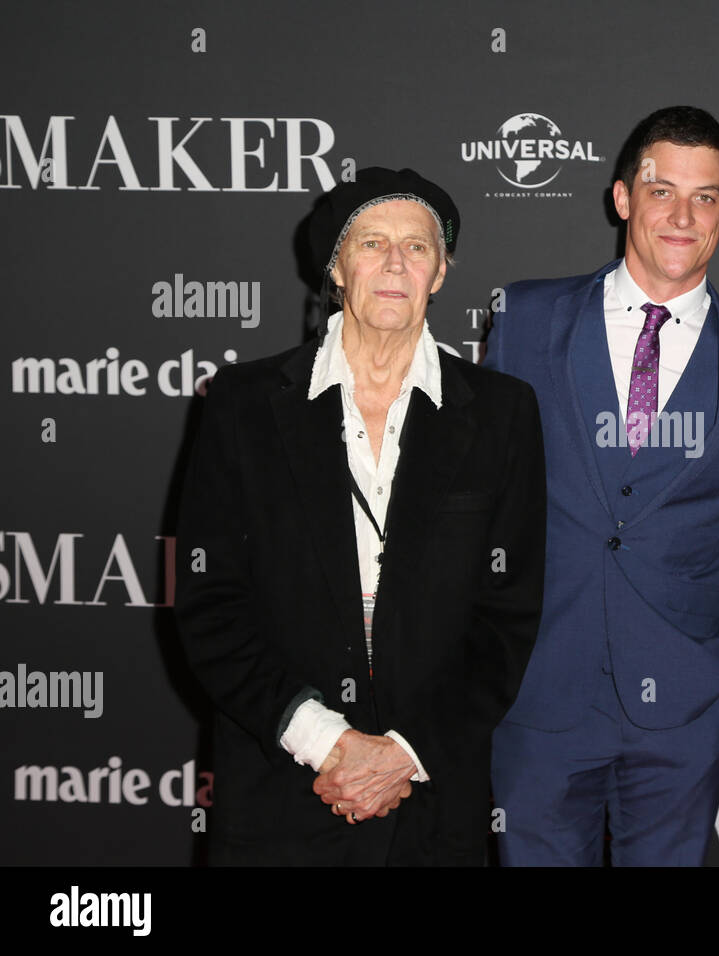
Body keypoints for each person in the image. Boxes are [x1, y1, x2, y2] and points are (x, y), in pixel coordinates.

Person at [175, 167, 545, 865]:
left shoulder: (502, 413)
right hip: (282, 787)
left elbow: (508, 618)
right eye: (372, 243)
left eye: (417, 246)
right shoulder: (243, 405)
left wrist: (403, 753)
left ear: (440, 273)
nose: (395, 263)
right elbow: (211, 605)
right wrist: (329, 743)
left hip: (430, 801)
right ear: (337, 268)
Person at [484, 106, 719, 866]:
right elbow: (477, 503)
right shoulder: (526, 319)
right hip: (537, 697)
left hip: (687, 709)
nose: (683, 216)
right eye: (661, 191)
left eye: (705, 197)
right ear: (623, 198)